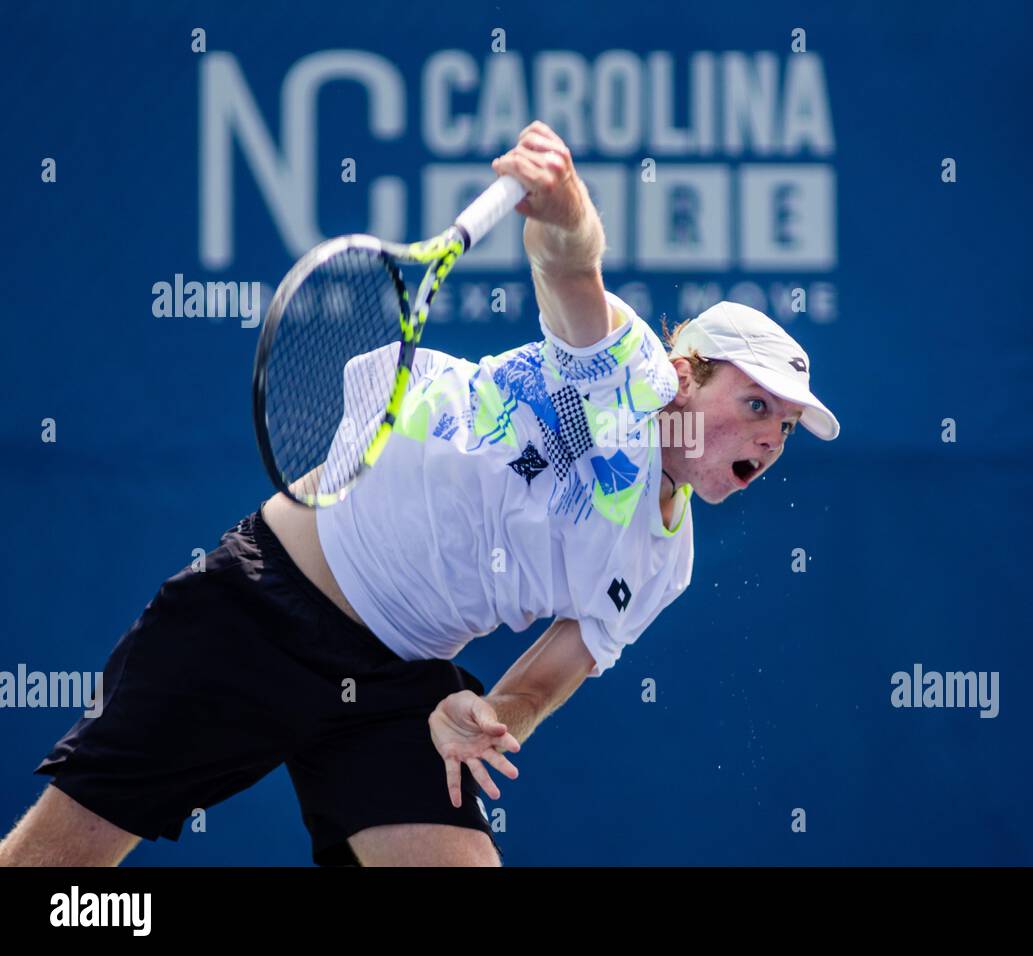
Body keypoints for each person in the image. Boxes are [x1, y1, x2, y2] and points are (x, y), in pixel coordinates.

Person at [0, 121, 839, 867]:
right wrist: (564, 201)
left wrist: (483, 711)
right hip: (259, 611)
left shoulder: (664, 561)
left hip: (402, 685)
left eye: (786, 427)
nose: (769, 438)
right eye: (755, 404)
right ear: (686, 375)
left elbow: (552, 673)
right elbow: (570, 263)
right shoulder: (628, 375)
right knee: (56, 869)